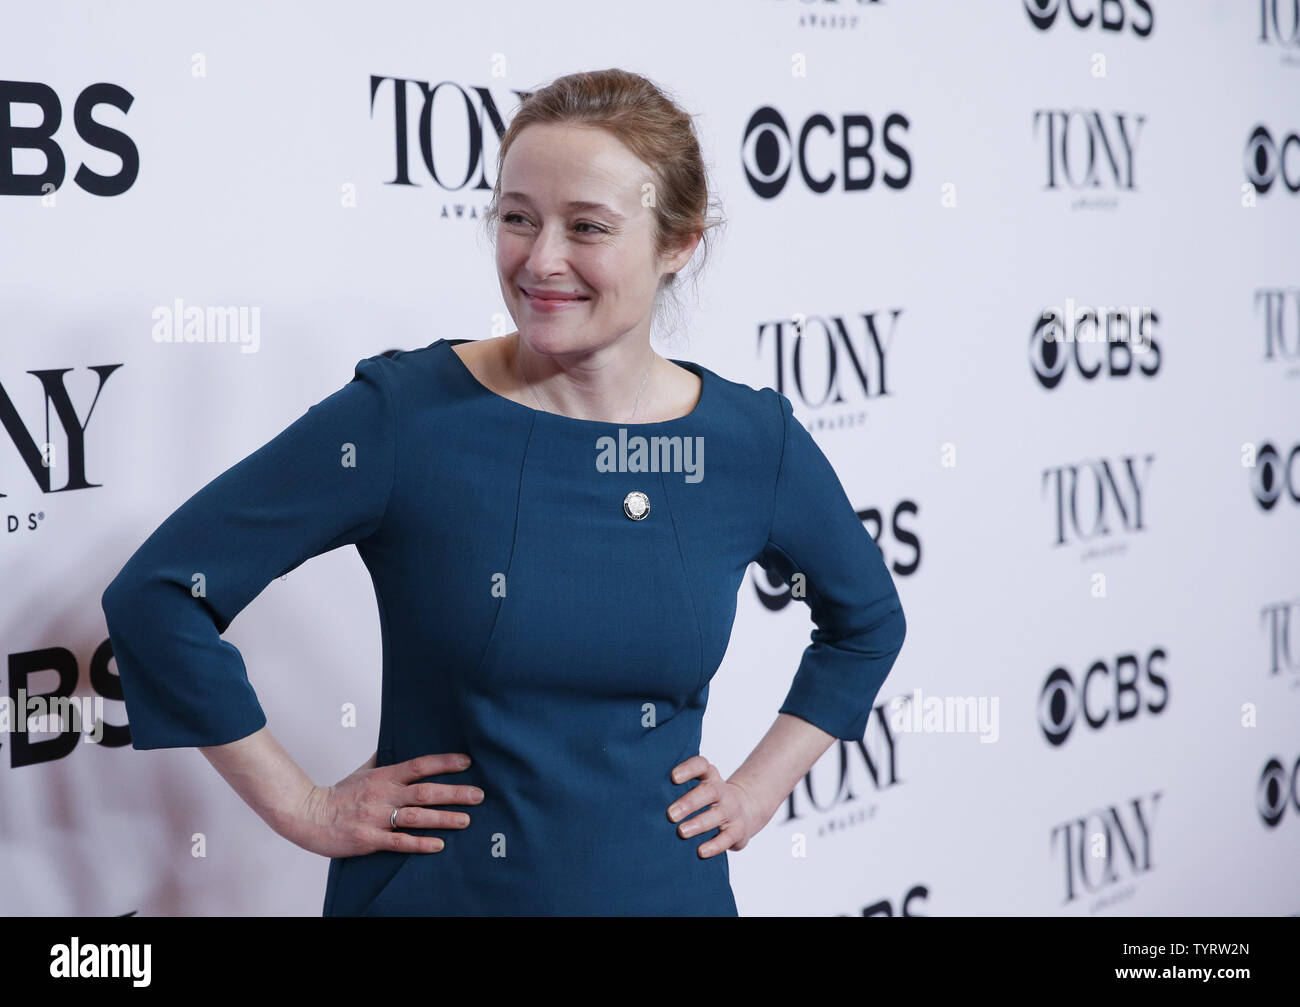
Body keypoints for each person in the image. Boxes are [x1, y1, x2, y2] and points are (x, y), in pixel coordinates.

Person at [100, 68, 907, 916]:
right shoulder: (406, 418)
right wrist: (302, 807)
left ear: (679, 244)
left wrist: (754, 789)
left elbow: (865, 623)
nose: (541, 259)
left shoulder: (749, 441)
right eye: (518, 218)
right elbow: (162, 596)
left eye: (587, 227)